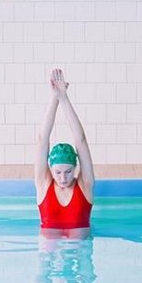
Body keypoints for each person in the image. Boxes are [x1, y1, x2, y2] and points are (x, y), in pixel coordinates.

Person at [35, 68, 94, 232]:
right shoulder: (43, 184)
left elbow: (81, 140)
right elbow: (42, 141)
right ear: (50, 170)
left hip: (79, 251)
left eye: (68, 172)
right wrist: (54, 97)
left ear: (75, 168)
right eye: (58, 172)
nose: (62, 178)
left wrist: (64, 97)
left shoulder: (85, 185)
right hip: (49, 255)